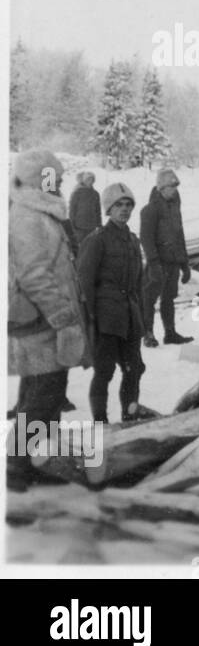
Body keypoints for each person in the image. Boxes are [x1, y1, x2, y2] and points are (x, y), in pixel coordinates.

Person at [7, 151, 90, 490]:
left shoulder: (40, 212)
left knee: (41, 391)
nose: (57, 182)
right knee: (44, 393)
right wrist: (63, 317)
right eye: (51, 177)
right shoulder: (29, 216)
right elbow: (34, 276)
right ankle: (16, 466)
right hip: (42, 321)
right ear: (37, 179)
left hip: (44, 320)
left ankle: (30, 460)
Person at [78, 182, 149, 423]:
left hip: (129, 318)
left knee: (135, 369)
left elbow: (139, 283)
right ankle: (100, 423)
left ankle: (129, 418)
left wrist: (143, 318)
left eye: (129, 204)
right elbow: (84, 283)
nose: (125, 209)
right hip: (105, 318)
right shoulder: (97, 239)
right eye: (119, 204)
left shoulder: (132, 240)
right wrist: (90, 319)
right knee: (104, 372)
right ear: (108, 208)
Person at [139, 168, 193, 347]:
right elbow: (146, 239)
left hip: (173, 262)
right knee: (149, 298)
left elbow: (180, 235)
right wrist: (154, 264)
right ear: (161, 188)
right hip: (158, 262)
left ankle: (170, 333)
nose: (174, 190)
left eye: (175, 187)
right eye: (171, 187)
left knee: (168, 298)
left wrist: (185, 264)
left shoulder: (175, 208)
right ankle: (148, 333)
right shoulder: (150, 210)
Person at [67, 170, 101, 253]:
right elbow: (72, 209)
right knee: (80, 247)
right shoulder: (77, 193)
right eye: (88, 179)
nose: (90, 182)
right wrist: (72, 223)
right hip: (79, 226)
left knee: (90, 247)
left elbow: (98, 210)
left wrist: (99, 224)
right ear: (84, 181)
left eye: (92, 180)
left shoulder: (95, 194)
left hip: (91, 226)